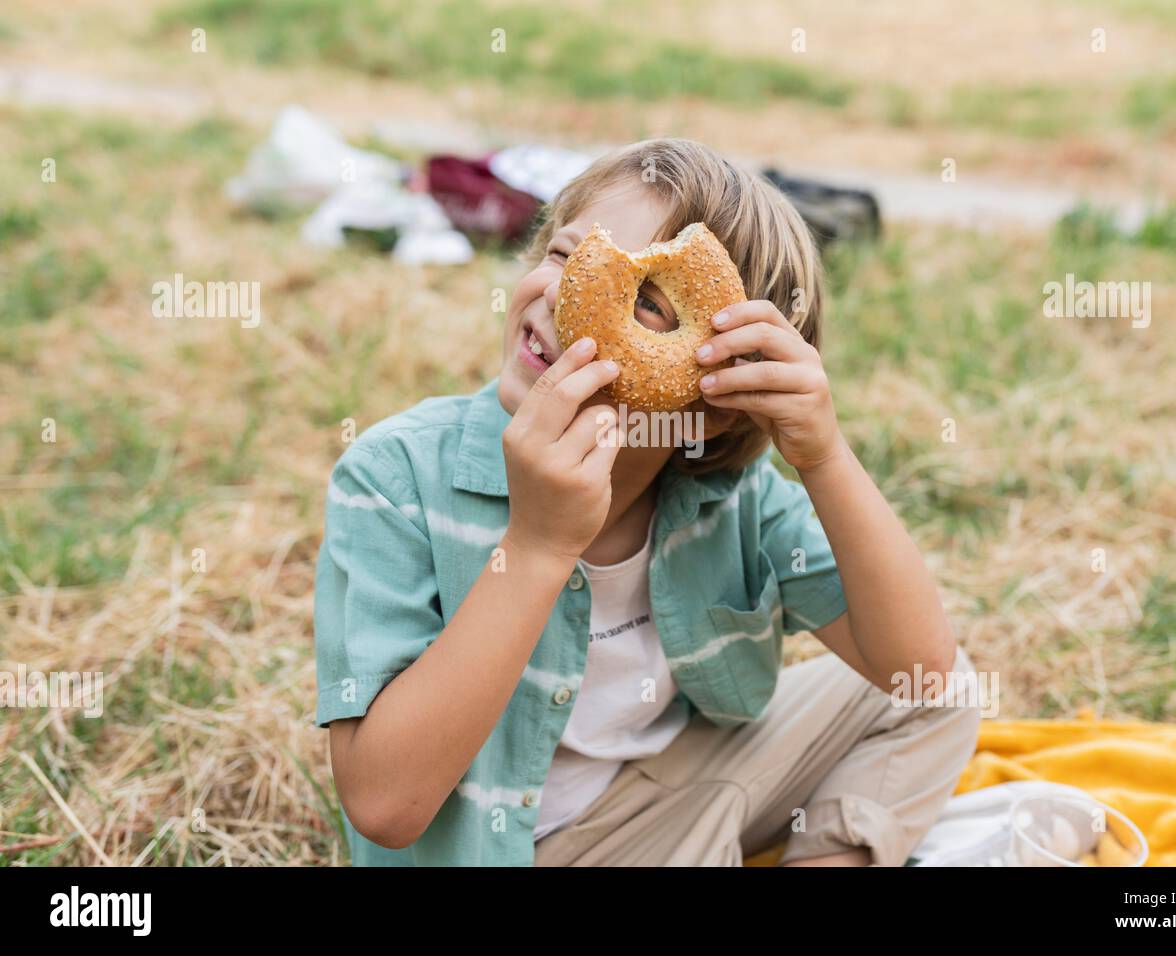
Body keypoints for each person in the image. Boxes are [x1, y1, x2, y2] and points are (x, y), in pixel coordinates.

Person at [313, 138, 982, 866]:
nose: (568, 300)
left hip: (677, 790)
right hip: (514, 850)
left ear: (724, 395)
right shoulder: (396, 477)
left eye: (648, 303)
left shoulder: (728, 496)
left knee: (944, 691)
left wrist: (823, 457)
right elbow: (385, 806)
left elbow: (917, 670)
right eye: (567, 257)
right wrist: (537, 546)